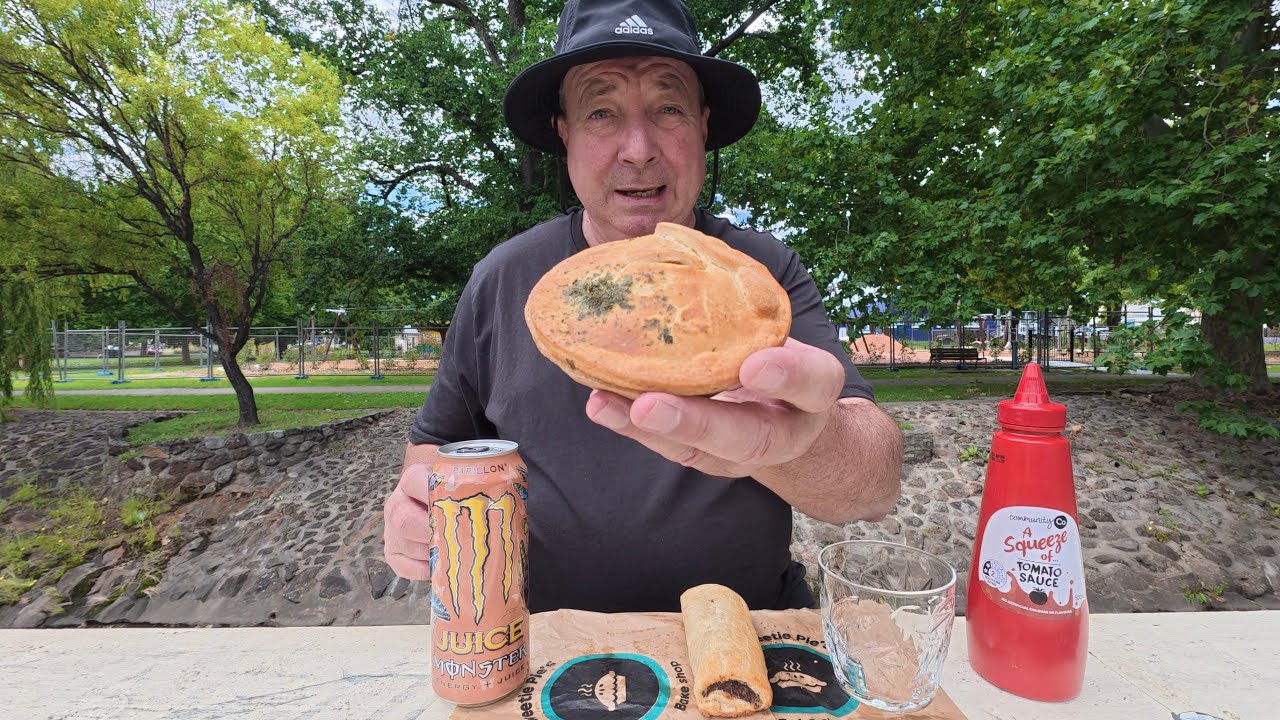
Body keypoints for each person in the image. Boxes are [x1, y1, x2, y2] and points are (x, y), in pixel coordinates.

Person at [383, 0, 903, 614]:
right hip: (546, 648)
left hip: (751, 633)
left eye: (668, 108)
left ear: (704, 125)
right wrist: (414, 501)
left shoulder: (757, 279)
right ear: (564, 131)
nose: (638, 148)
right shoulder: (505, 278)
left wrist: (799, 442)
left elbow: (875, 484)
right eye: (601, 111)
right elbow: (440, 442)